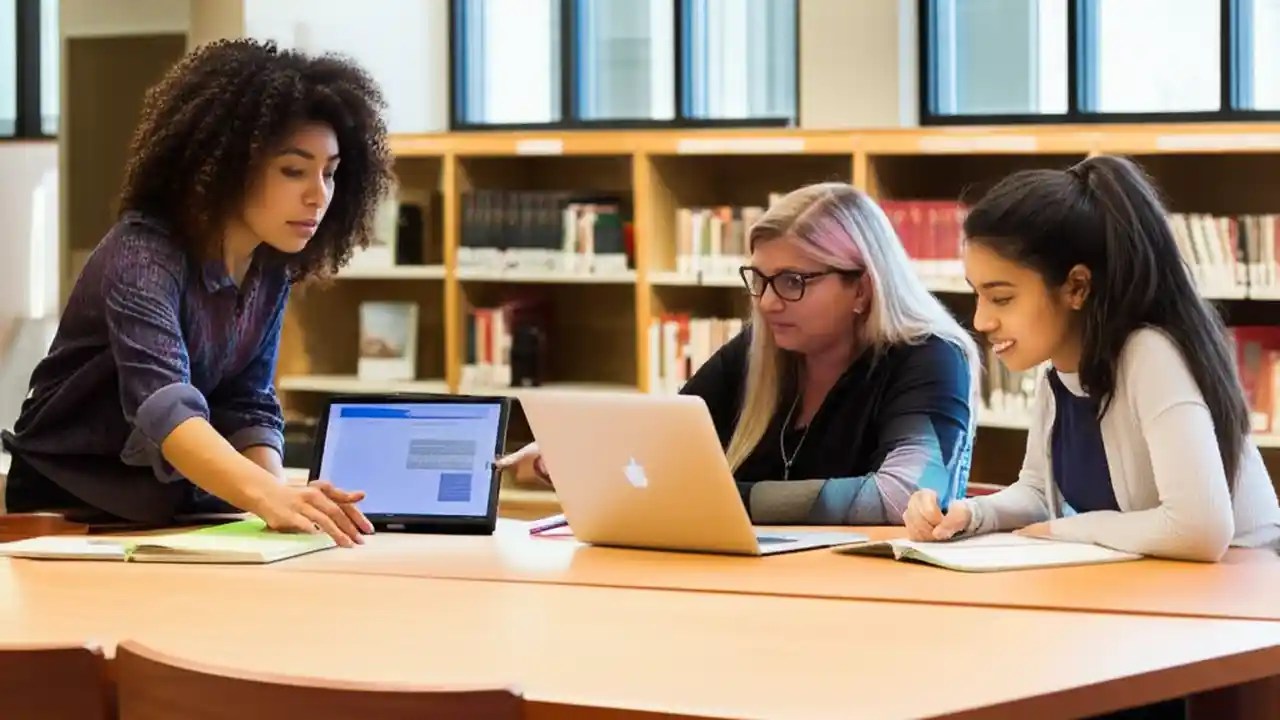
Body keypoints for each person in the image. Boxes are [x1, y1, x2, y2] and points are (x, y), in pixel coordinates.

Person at [0, 38, 393, 547]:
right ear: (229, 164)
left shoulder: (270, 266)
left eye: (331, 173)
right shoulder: (141, 255)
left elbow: (247, 403)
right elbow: (167, 413)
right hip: (68, 509)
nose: (318, 194)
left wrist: (285, 498)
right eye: (293, 170)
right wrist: (269, 496)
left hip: (172, 503)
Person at [500, 182, 982, 525]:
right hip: (746, 588)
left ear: (862, 288)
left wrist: (717, 501)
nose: (768, 301)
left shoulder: (929, 357)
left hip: (874, 605)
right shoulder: (759, 349)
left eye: (795, 281)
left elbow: (903, 496)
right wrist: (578, 457)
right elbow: (662, 448)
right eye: (760, 279)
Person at [903, 155, 1280, 562]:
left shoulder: (1149, 356)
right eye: (977, 294)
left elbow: (1200, 528)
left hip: (1243, 588)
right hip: (1164, 588)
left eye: (1002, 298)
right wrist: (972, 513)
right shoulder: (1057, 370)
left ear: (1077, 287)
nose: (981, 320)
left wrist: (1066, 530)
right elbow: (1036, 491)